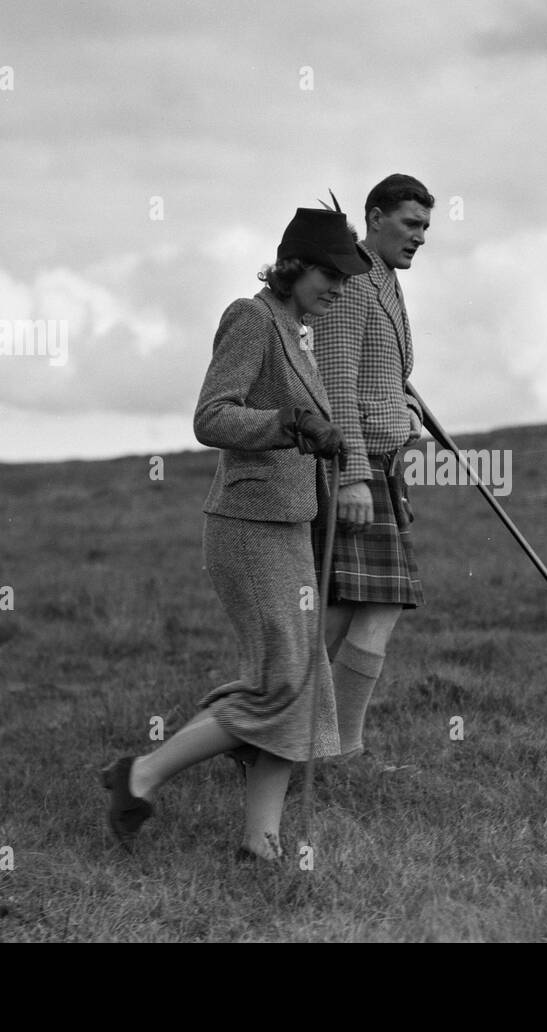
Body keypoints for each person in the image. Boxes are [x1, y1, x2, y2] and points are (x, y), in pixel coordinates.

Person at [101, 205, 371, 861]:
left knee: (299, 680)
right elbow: (211, 417)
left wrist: (322, 439)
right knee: (283, 683)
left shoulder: (296, 331)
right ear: (295, 265)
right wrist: (285, 424)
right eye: (331, 276)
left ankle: (260, 842)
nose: (338, 291)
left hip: (288, 524)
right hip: (246, 528)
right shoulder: (250, 318)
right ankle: (138, 776)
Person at [311, 173, 434, 758]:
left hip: (386, 464)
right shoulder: (352, 279)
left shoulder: (383, 277)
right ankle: (332, 746)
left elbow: (375, 372)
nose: (420, 238)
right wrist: (352, 473)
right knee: (372, 605)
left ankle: (297, 739)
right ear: (375, 217)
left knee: (343, 613)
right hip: (358, 468)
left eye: (426, 228)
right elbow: (335, 383)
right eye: (411, 224)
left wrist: (399, 398)